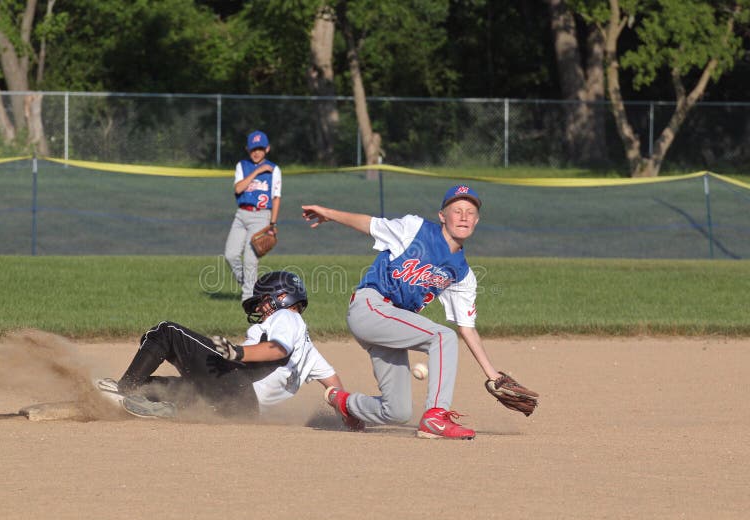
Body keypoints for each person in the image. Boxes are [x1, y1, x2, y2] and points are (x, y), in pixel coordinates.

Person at [302, 184, 537, 440]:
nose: (463, 216)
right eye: (456, 210)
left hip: (392, 323)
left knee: (396, 411)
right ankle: (436, 416)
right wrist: (328, 212)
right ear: (442, 216)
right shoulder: (414, 229)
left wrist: (492, 375)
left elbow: (466, 328)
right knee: (441, 336)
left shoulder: (462, 274)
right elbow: (370, 224)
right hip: (370, 306)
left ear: (477, 221)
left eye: (470, 212)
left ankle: (346, 404)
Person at [100, 271, 361, 428]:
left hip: (236, 387)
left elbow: (278, 349)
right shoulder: (309, 349)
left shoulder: (287, 317)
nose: (259, 308)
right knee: (160, 386)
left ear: (282, 297)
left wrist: (239, 353)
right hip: (242, 409)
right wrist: (348, 416)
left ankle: (123, 388)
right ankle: (165, 406)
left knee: (167, 332)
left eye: (263, 301)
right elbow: (333, 384)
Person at [224, 130, 281, 302]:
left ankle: (248, 299)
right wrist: (257, 171)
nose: (257, 152)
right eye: (253, 149)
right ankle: (251, 285)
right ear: (247, 149)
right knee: (231, 255)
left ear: (267, 149)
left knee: (250, 259)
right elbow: (238, 189)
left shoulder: (274, 169)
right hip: (241, 215)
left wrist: (272, 223)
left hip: (261, 216)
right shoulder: (242, 166)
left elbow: (276, 197)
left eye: (260, 148)